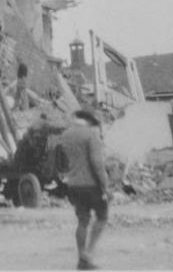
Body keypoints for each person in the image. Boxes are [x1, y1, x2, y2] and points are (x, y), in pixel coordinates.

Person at [55, 109, 111, 270]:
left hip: (73, 184)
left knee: (82, 221)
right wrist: (105, 187)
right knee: (102, 217)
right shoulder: (90, 135)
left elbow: (60, 161)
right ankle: (89, 252)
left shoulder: (65, 135)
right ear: (89, 122)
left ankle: (81, 259)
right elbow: (97, 163)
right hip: (92, 185)